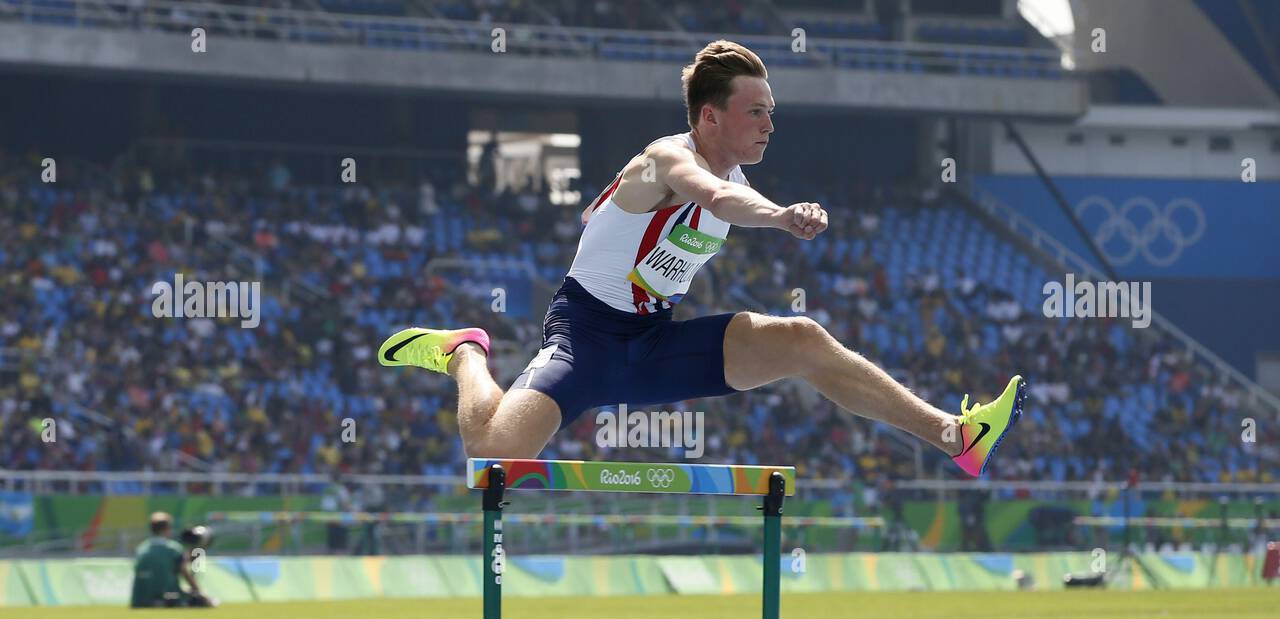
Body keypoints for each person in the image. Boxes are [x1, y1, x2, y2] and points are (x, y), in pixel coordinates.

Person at [377, 40, 1025, 478]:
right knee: (490, 456)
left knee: (801, 338)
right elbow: (708, 193)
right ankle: (466, 350)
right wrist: (779, 215)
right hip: (585, 341)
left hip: (655, 346)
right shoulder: (663, 161)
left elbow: (719, 200)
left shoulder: (736, 182)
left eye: (772, 110)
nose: (769, 123)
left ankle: (956, 439)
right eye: (755, 111)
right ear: (710, 117)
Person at [129, 512, 212, 608]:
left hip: (139, 600)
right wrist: (199, 592)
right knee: (200, 600)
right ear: (167, 529)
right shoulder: (174, 549)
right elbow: (184, 572)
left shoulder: (141, 548)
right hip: (165, 598)